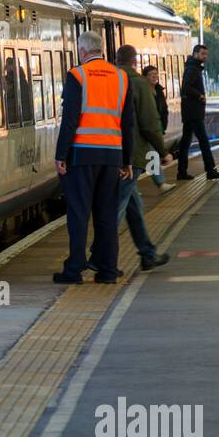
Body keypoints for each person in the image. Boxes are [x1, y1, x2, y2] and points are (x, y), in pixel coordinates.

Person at [53, 31, 134, 285]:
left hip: (82, 154)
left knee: (79, 213)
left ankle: (74, 270)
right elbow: (128, 123)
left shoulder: (77, 75)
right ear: (101, 50)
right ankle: (108, 270)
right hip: (111, 156)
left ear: (83, 51)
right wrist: (127, 160)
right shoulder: (121, 77)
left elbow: (70, 119)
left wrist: (60, 155)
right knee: (106, 215)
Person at [116, 46, 172, 270]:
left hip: (112, 151)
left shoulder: (112, 79)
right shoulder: (139, 83)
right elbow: (150, 124)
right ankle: (99, 258)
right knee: (117, 209)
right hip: (134, 155)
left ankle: (147, 253)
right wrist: (163, 150)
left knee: (133, 206)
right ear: (135, 62)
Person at [177, 43, 219, 180]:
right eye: (202, 54)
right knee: (203, 141)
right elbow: (185, 87)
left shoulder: (193, 67)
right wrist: (199, 95)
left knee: (185, 142)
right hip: (194, 111)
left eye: (206, 54)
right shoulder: (192, 69)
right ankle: (210, 170)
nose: (205, 57)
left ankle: (181, 171)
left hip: (190, 111)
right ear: (195, 54)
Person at [142, 64, 175, 194]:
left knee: (147, 156)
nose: (155, 76)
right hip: (148, 128)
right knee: (152, 155)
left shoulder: (159, 90)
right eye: (151, 74)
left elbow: (163, 110)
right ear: (145, 77)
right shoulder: (143, 91)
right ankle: (160, 183)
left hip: (157, 127)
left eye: (156, 74)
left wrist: (163, 125)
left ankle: (130, 186)